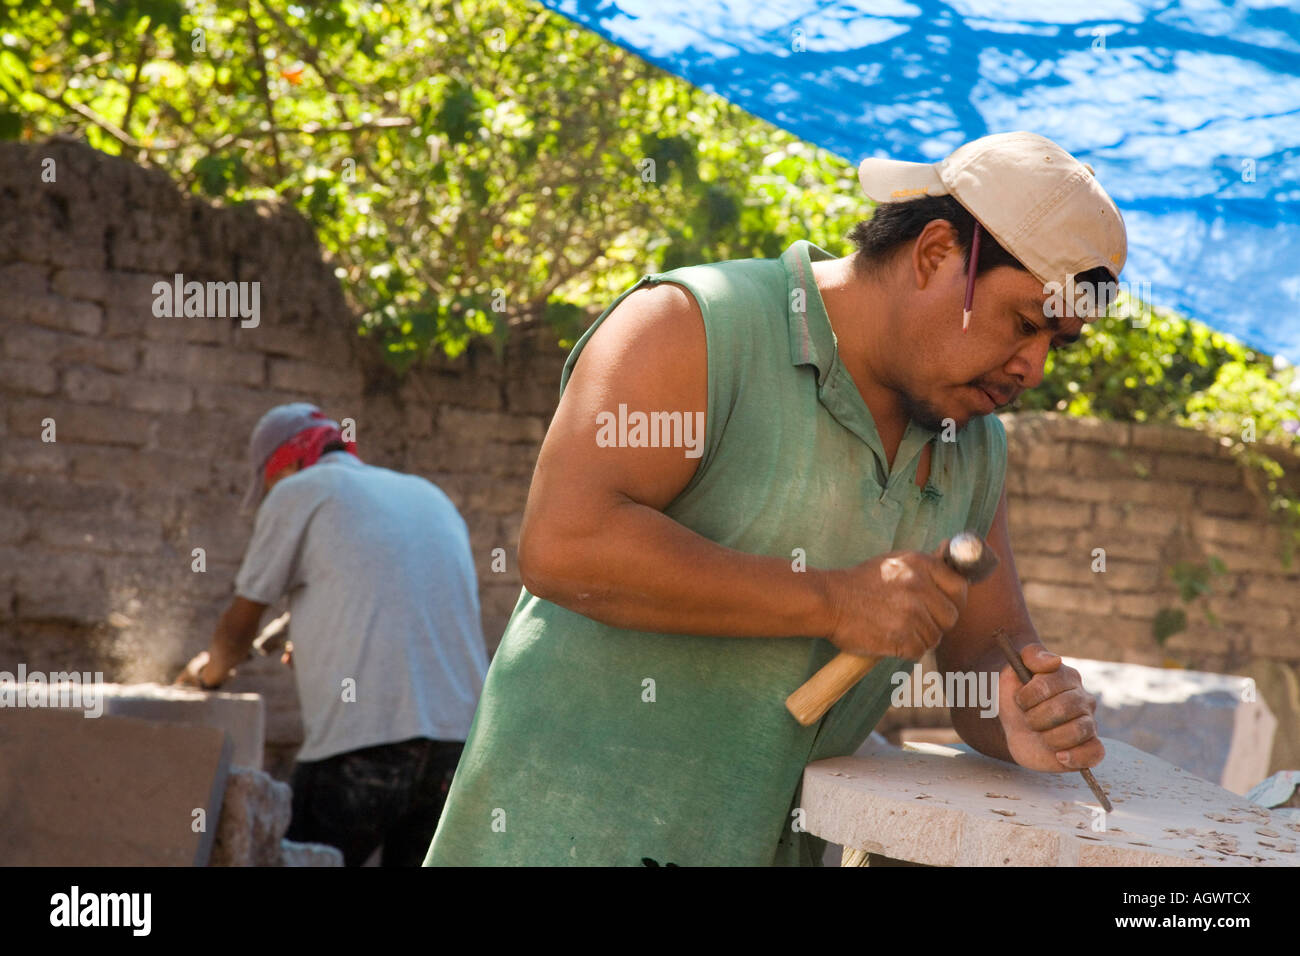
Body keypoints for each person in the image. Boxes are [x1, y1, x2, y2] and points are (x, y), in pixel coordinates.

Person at [424, 131, 1126, 867]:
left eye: (1059, 342)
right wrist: (832, 600)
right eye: (1023, 323)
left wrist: (1016, 713)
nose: (1035, 367)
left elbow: (990, 651)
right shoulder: (694, 325)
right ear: (936, 252)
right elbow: (566, 546)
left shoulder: (975, 445)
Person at [176, 402, 489, 866]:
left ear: (287, 464)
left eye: (267, 486)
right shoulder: (428, 494)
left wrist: (206, 676)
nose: (268, 499)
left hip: (362, 751)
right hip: (462, 753)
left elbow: (240, 626)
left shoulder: (300, 491)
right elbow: (401, 598)